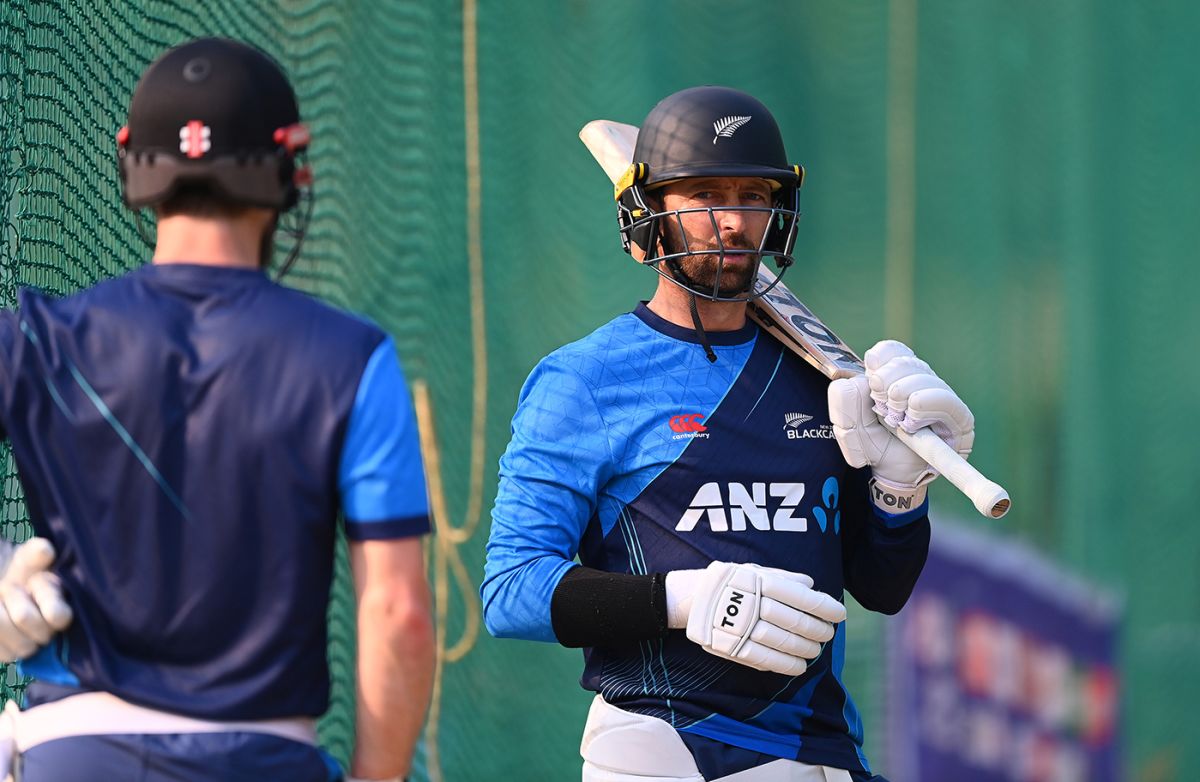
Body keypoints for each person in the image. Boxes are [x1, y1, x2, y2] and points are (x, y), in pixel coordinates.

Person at [481, 86, 976, 782]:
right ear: (648, 213)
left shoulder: (821, 381)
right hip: (658, 752)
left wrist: (899, 490)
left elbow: (881, 588)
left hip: (812, 748)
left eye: (752, 194)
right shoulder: (584, 382)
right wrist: (681, 601)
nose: (733, 221)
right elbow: (512, 589)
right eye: (704, 194)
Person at [0, 38, 433, 782]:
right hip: (265, 753)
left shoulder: (36, 338)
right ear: (290, 172)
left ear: (134, 164)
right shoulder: (351, 356)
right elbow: (397, 613)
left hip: (71, 751)